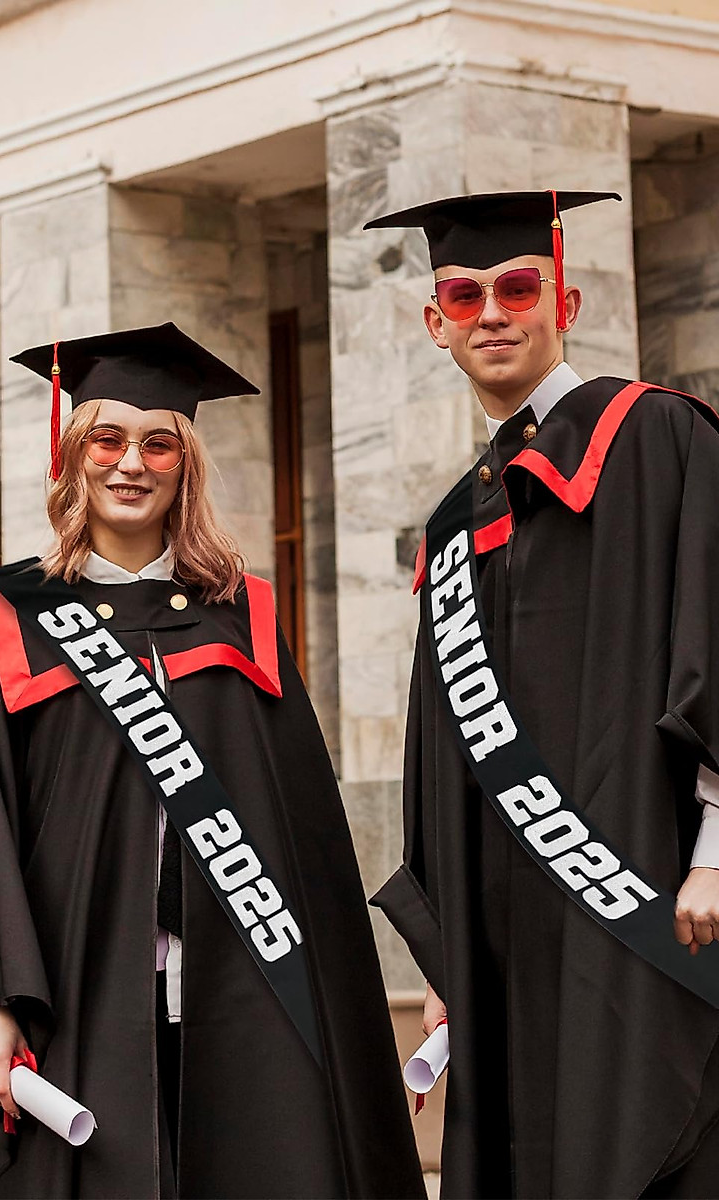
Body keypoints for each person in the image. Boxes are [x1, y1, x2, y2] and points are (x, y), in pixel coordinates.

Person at [0, 322, 424, 1199]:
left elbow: (300, 831)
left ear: (185, 466)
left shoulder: (242, 618)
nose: (131, 464)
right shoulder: (10, 615)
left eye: (158, 444)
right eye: (108, 440)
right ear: (75, 455)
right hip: (70, 986)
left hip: (240, 987)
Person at [365, 190, 719, 1197]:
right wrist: (451, 959)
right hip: (507, 944)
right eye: (464, 296)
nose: (492, 313)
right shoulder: (457, 521)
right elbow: (443, 748)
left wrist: (716, 852)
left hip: (655, 898)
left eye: (518, 288)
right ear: (435, 324)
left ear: (564, 301)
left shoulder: (657, 437)